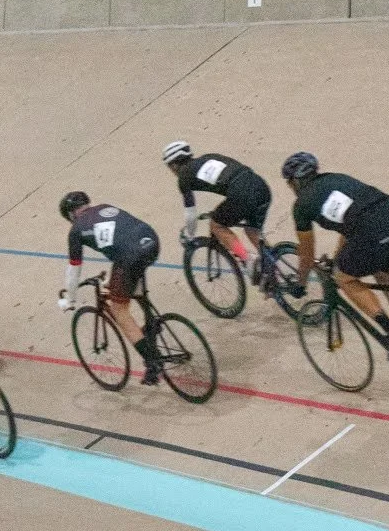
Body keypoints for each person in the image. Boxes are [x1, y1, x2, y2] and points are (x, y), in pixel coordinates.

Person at [281, 153, 389, 364]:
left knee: (343, 277)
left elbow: (306, 253)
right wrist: (337, 258)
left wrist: (300, 284)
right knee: (385, 276)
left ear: (295, 181)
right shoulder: (337, 178)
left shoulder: (302, 205)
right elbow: (349, 226)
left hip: (373, 233)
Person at [55, 191, 164, 385]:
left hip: (128, 258)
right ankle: (151, 324)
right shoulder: (104, 207)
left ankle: (153, 361)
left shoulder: (76, 230)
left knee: (118, 310)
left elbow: (74, 269)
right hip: (151, 240)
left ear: (70, 216)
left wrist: (70, 300)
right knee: (127, 283)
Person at [161, 142, 274, 278]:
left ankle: (247, 259)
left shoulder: (184, 176)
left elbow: (190, 213)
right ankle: (275, 271)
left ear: (174, 165)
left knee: (216, 225)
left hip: (240, 193)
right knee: (252, 230)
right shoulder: (208, 157)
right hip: (259, 185)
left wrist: (190, 236)